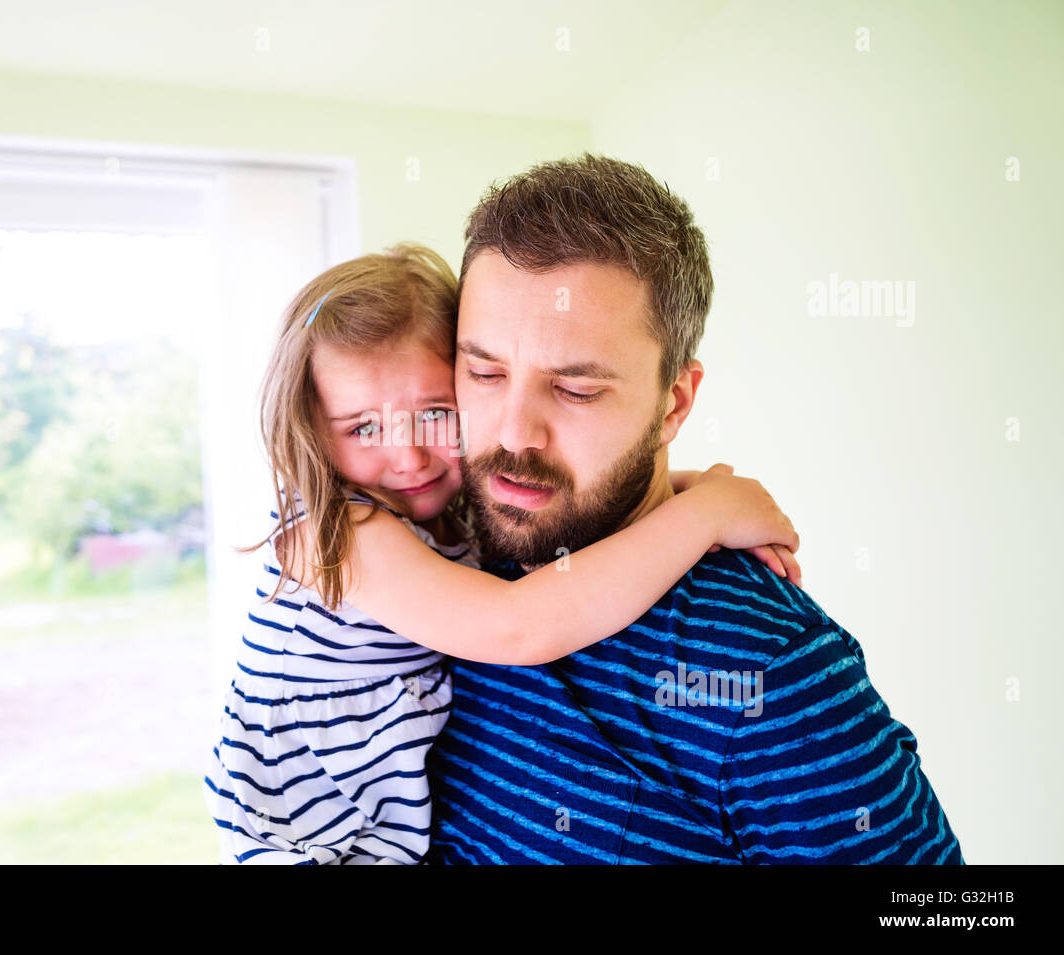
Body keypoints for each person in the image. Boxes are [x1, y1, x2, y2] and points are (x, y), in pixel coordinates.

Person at [425, 153, 964, 864]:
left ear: (674, 400)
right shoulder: (442, 550)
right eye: (484, 371)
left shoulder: (770, 671)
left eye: (577, 390)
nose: (513, 434)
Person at [202, 242, 804, 864]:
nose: (408, 458)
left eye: (436, 414)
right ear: (308, 427)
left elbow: (581, 501)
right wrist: (702, 515)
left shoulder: (437, 521)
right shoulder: (335, 532)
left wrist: (686, 486)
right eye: (365, 428)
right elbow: (517, 627)